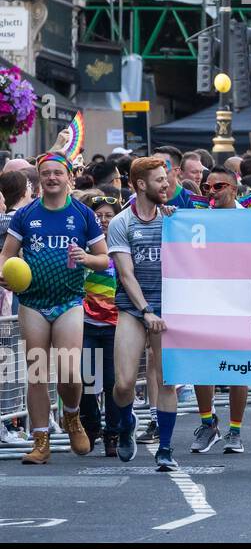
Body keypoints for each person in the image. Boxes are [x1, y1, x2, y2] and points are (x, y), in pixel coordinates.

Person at [1, 152, 111, 465]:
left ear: (68, 178)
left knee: (69, 370)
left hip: (69, 301)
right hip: (34, 301)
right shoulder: (25, 215)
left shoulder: (83, 215)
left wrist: (86, 259)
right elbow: (7, 253)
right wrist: (4, 273)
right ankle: (40, 442)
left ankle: (72, 417)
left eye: (57, 173)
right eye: (46, 173)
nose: (51, 178)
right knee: (37, 373)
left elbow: (104, 258)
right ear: (40, 178)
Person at [106, 157, 178, 469]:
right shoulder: (122, 222)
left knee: (167, 382)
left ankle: (165, 449)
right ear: (140, 185)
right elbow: (125, 274)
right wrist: (146, 310)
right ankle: (126, 424)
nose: (166, 184)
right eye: (160, 180)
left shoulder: (174, 220)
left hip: (170, 309)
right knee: (123, 384)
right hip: (134, 310)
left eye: (167, 178)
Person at [191, 166, 250, 454]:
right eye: (207, 187)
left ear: (234, 189)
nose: (211, 192)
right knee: (203, 363)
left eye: (218, 187)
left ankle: (235, 430)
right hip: (205, 300)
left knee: (240, 367)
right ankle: (207, 424)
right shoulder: (194, 219)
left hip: (241, 302)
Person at [77, 191, 123, 456]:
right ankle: (91, 425)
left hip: (115, 324)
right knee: (82, 378)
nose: (104, 221)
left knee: (112, 381)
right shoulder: (81, 245)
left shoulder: (122, 247)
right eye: (99, 216)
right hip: (83, 321)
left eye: (109, 216)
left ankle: (113, 434)